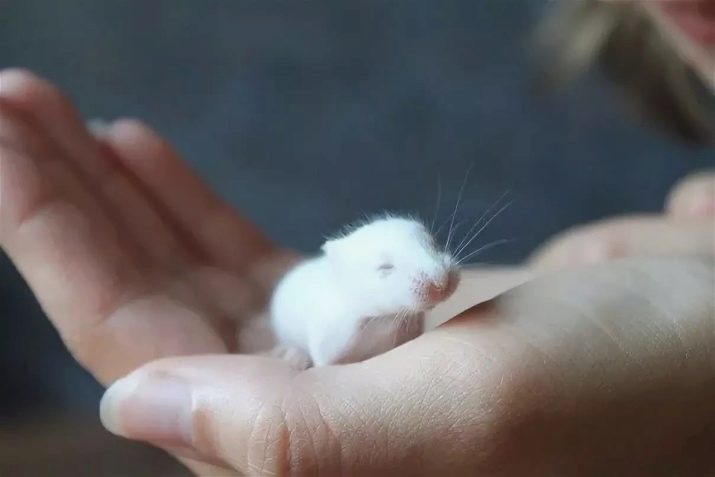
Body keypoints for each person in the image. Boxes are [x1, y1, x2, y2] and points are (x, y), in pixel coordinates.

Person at [1, 4, 713, 477]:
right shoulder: (332, 307)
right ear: (349, 270)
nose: (433, 273)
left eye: (430, 251)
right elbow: (336, 356)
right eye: (393, 268)